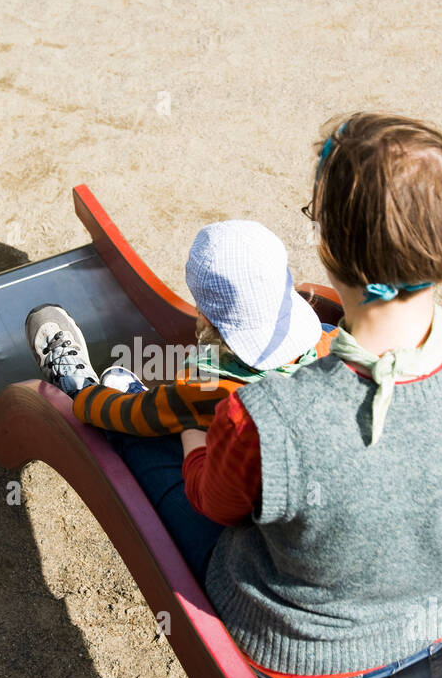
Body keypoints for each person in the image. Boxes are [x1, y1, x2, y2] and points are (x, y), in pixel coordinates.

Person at [180, 113, 442, 678]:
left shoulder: (264, 418)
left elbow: (216, 505)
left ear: (327, 249)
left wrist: (194, 439)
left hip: (298, 658)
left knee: (160, 477)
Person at [25, 220, 334, 576]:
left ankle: (78, 387)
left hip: (247, 550)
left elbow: (131, 415)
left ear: (205, 317)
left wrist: (90, 404)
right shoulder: (333, 347)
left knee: (131, 426)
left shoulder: (208, 389)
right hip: (308, 537)